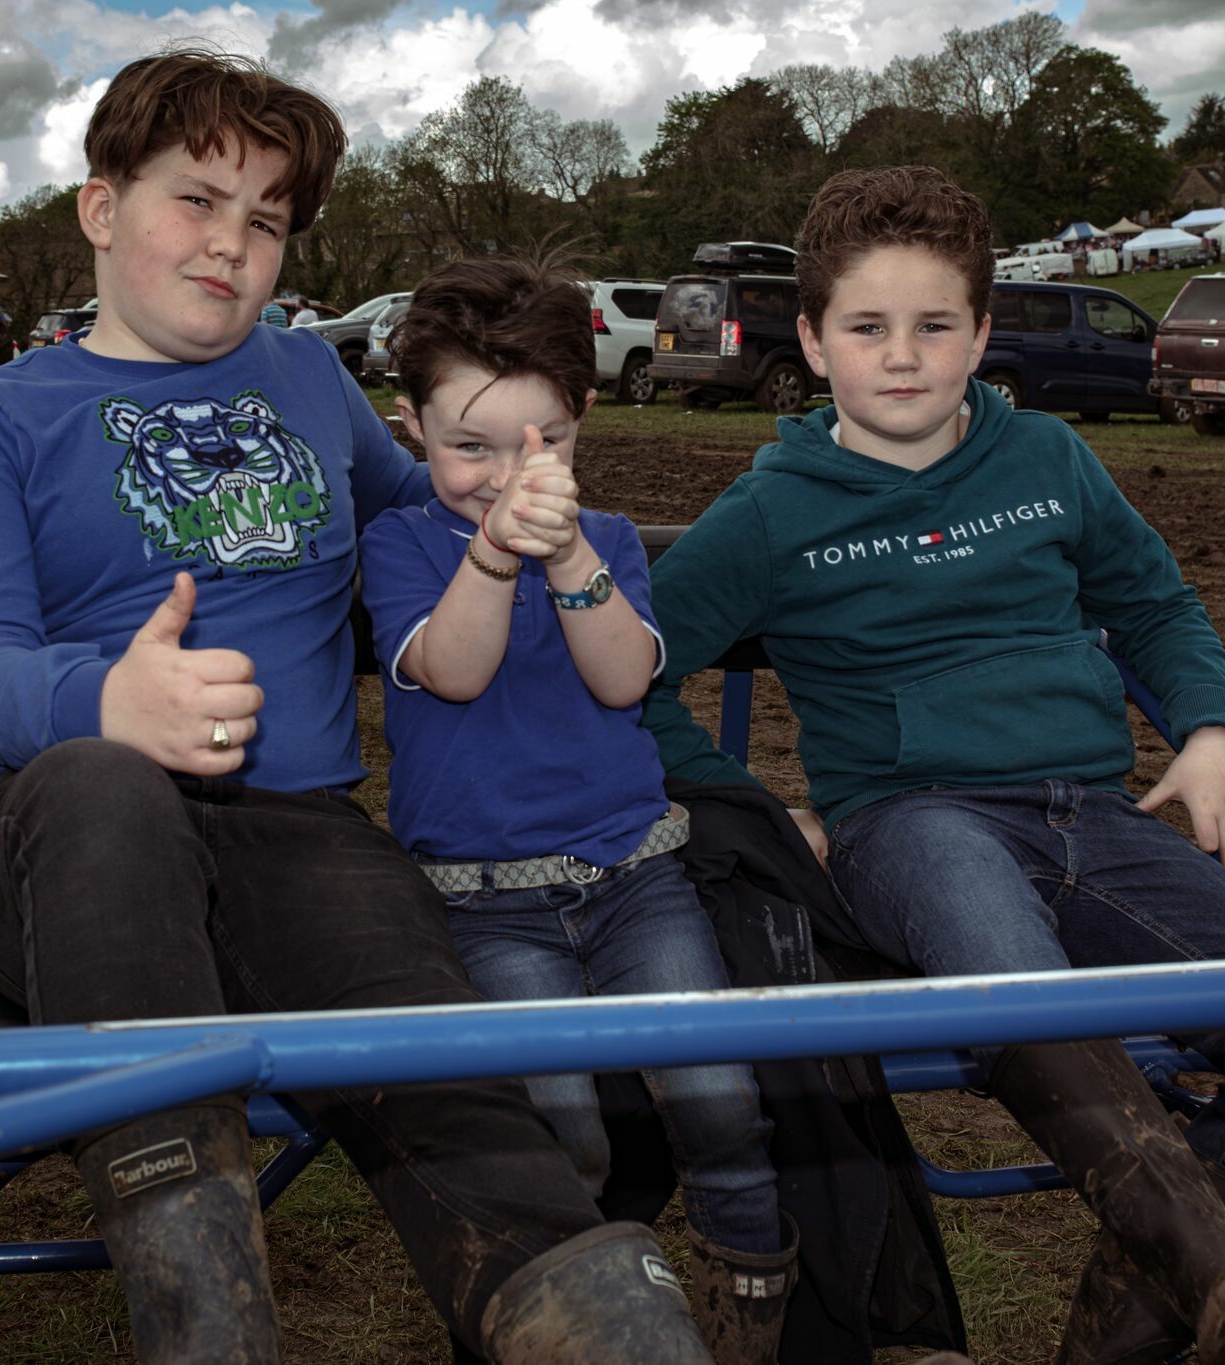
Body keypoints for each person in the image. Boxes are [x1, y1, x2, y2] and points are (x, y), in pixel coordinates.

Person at [0, 48, 711, 1365]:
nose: (232, 244)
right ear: (101, 208)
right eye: (196, 200)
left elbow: (443, 532)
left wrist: (558, 533)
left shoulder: (303, 381)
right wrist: (106, 697)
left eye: (267, 220)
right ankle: (202, 1309)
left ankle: (602, 1320)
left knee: (433, 1053)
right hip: (69, 840)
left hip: (295, 826)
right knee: (106, 789)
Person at [642, 164, 1225, 1365]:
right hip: (909, 824)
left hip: (1093, 817)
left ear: (981, 336)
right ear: (813, 342)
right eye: (866, 328)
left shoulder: (1046, 458)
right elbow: (624, 678)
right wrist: (760, 816)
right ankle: (1215, 1269)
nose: (902, 356)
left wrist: (1210, 732)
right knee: (1013, 970)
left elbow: (1154, 605)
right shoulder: (768, 516)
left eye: (934, 325)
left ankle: (1131, 1328)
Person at [361, 254, 792, 1364]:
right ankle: (578, 1322)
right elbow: (454, 669)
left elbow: (621, 677)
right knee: (558, 1129)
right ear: (411, 429)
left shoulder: (604, 540)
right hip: (482, 902)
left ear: (581, 419)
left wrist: (566, 560)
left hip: (634, 877)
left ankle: (751, 1290)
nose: (508, 474)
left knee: (718, 1098)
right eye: (471, 447)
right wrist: (495, 553)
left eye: (540, 441)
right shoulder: (400, 545)